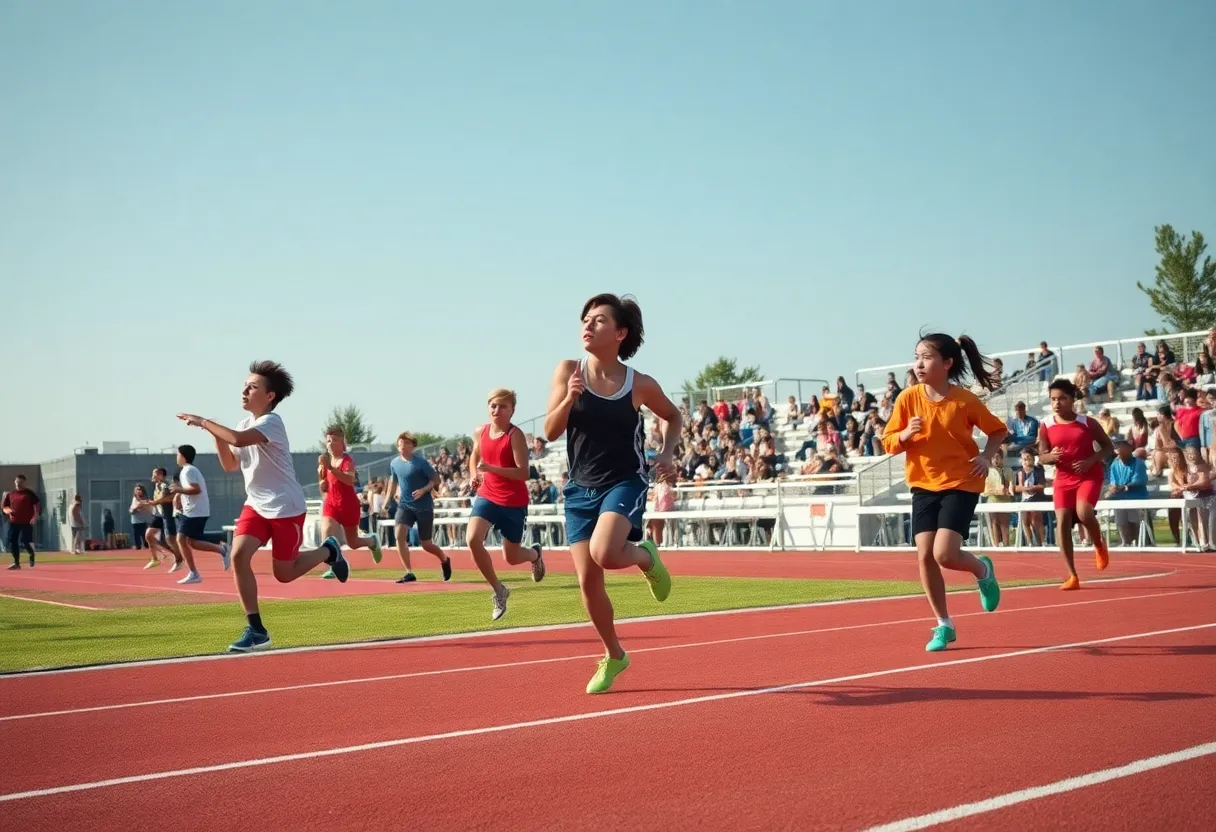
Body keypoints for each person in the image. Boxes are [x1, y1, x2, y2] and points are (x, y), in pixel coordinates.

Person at [543, 293, 680, 694]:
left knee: (605, 552)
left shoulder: (639, 384)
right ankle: (615, 654)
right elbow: (551, 432)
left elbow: (673, 415)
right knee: (589, 582)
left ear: (620, 333)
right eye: (585, 319)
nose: (588, 325)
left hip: (625, 481)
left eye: (599, 320)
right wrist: (570, 397)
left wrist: (668, 452)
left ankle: (645, 556)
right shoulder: (568, 370)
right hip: (579, 488)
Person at [177, 360, 347, 653]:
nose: (244, 390)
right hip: (255, 505)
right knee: (240, 556)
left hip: (285, 507)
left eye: (252, 387)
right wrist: (215, 434)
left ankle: (328, 550)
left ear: (270, 396)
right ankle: (256, 630)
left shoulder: (271, 422)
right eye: (244, 385)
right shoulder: (243, 425)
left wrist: (205, 422)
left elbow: (240, 440)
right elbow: (231, 464)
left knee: (284, 573)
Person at [881, 333, 1006, 652]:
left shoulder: (964, 401)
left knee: (944, 554)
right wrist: (906, 434)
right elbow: (888, 441)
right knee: (925, 554)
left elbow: (997, 430)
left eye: (926, 357)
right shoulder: (907, 398)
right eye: (916, 356)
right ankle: (944, 625)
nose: (918, 363)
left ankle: (982, 570)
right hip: (922, 484)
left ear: (947, 363)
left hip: (961, 482)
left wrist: (986, 456)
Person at [466, 388, 545, 620]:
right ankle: (499, 591)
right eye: (493, 405)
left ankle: (534, 555)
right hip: (487, 496)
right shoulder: (481, 432)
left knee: (510, 557)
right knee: (472, 539)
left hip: (513, 502)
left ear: (512, 410)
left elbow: (523, 473)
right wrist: (474, 474)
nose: (497, 410)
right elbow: (475, 455)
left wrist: (492, 469)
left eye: (503, 406)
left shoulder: (515, 436)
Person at [1038, 379, 1114, 590]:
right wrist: (1050, 456)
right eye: (1053, 399)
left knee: (1084, 513)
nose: (1057, 403)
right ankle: (1072, 576)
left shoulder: (1087, 423)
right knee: (1061, 521)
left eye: (1062, 398)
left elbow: (1108, 446)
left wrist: (1091, 460)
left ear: (1072, 399)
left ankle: (1099, 544)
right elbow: (1041, 456)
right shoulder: (1046, 425)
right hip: (1063, 479)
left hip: (1089, 476)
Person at [383, 432, 452, 584]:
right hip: (405, 505)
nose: (402, 446)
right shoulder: (394, 463)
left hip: (423, 506)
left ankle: (444, 559)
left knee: (426, 544)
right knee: (399, 535)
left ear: (413, 446)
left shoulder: (421, 463)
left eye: (406, 443)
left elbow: (436, 480)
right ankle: (409, 572)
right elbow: (393, 483)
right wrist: (386, 502)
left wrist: (424, 490)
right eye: (400, 443)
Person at [317, 426, 383, 579]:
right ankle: (335, 566)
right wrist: (322, 484)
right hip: (331, 504)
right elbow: (323, 484)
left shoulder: (346, 460)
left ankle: (372, 541)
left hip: (348, 504)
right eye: (328, 441)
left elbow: (349, 479)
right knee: (327, 534)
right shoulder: (324, 462)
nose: (330, 444)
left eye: (334, 440)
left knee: (352, 542)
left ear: (342, 442)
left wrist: (331, 468)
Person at [168, 445, 231, 585]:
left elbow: (196, 489)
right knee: (192, 542)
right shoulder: (187, 471)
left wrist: (178, 490)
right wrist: (179, 495)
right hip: (192, 511)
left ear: (183, 456)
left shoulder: (188, 470)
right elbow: (190, 488)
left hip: (196, 512)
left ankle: (194, 573)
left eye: (177, 454)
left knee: (181, 539)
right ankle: (222, 549)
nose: (176, 457)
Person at [1104, 436, 1150, 547]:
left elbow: (1139, 481)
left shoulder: (1138, 463)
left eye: (1121, 446)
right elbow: (1113, 481)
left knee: (1134, 518)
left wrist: (1121, 487)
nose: (1118, 448)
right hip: (1120, 497)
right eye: (1117, 446)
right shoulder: (1115, 465)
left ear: (1129, 448)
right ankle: (1126, 542)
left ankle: (1137, 541)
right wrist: (1112, 488)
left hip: (1137, 496)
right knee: (1120, 519)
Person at [2, 474, 40, 569]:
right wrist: (8, 511)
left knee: (25, 541)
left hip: (26, 522)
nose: (18, 484)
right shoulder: (11, 494)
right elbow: (4, 507)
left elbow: (37, 505)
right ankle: (16, 563)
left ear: (24, 483)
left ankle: (31, 554)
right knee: (12, 541)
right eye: (17, 482)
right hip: (14, 522)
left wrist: (35, 516)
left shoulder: (29, 493)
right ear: (15, 482)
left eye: (20, 482)